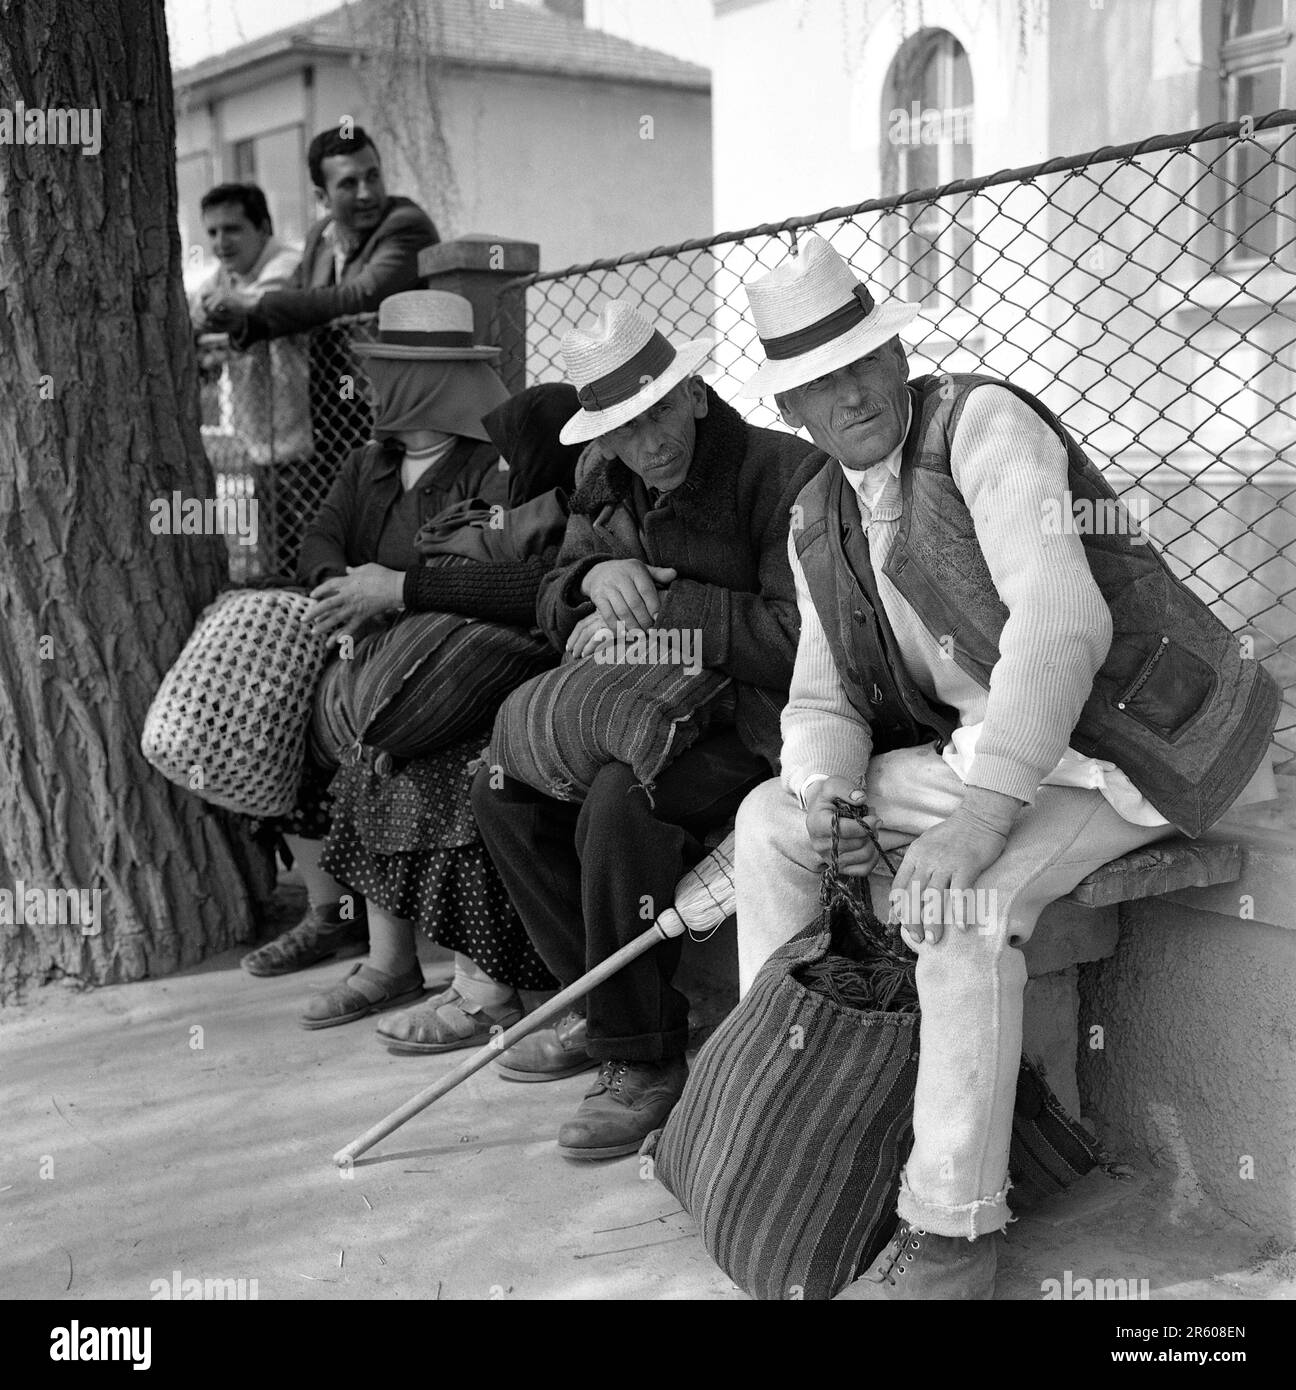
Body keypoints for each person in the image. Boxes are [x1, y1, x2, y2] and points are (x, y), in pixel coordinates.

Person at [731, 233, 1280, 1299]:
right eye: (817, 387)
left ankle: (951, 1234)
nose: (849, 397)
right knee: (769, 819)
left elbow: (1063, 622)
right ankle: (792, 1107)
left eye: (860, 364)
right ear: (792, 413)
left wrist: (977, 819)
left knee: (963, 899)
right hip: (996, 755)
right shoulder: (817, 513)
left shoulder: (980, 427)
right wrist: (826, 787)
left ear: (897, 355)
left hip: (1126, 746)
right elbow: (819, 699)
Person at [470, 300, 821, 1159]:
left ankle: (645, 1062)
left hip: (757, 720)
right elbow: (554, 596)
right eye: (627, 425)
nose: (652, 439)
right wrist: (593, 582)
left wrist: (668, 611)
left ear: (696, 393)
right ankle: (602, 1008)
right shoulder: (604, 482)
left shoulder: (782, 476)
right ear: (604, 435)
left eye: (662, 409)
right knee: (500, 788)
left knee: (619, 803)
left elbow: (801, 640)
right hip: (644, 708)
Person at [238, 289, 520, 994]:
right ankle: (328, 914)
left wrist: (389, 593)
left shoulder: (491, 467)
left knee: (386, 739)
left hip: (449, 657)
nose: (366, 387)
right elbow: (321, 539)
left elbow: (484, 569)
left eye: (382, 371)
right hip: (363, 648)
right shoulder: (368, 463)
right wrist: (344, 596)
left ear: (424, 380)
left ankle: (403, 966)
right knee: (271, 718)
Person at [203, 125, 440, 526]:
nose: (366, 192)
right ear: (322, 197)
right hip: (328, 425)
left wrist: (252, 301)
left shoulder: (406, 224)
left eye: (372, 176)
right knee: (313, 547)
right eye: (349, 183)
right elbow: (297, 305)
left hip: (395, 416)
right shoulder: (320, 236)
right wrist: (238, 320)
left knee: (382, 536)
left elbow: (357, 297)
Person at [189, 183, 312, 505]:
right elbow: (193, 311)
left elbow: (262, 300)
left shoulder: (288, 262)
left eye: (232, 229)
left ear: (264, 228)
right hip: (261, 451)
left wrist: (215, 312)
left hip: (309, 451)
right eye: (212, 232)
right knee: (271, 553)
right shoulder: (223, 277)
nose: (220, 243)